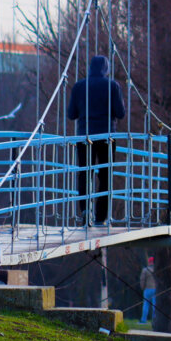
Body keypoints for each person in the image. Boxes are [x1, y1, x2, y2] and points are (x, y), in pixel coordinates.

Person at [67, 54, 125, 224]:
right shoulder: (112, 86)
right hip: (106, 137)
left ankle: (85, 210)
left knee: (85, 174)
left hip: (85, 137)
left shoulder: (78, 86)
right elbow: (120, 113)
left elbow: (71, 114)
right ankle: (101, 216)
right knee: (106, 176)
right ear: (106, 69)